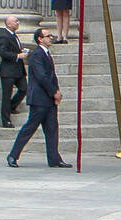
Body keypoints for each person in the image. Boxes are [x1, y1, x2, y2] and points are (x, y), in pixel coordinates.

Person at [6, 28, 72, 168]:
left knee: (52, 129)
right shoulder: (37, 54)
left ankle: (54, 158)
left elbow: (51, 76)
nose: (51, 38)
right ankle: (13, 155)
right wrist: (54, 92)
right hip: (39, 99)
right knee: (30, 128)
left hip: (48, 99)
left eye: (51, 36)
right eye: (47, 36)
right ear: (39, 39)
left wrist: (56, 92)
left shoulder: (46, 54)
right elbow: (41, 76)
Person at [0, 15, 27, 128]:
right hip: (8, 71)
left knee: (24, 88)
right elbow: (3, 53)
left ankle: (12, 106)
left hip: (18, 70)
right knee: (6, 95)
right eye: (16, 21)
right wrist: (18, 56)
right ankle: (6, 120)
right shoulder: (4, 36)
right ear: (8, 24)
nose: (18, 23)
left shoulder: (14, 36)